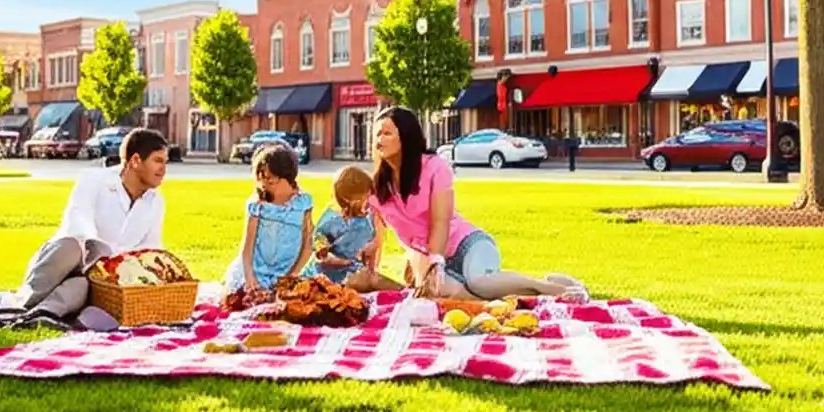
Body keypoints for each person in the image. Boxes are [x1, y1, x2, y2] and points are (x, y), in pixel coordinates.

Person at [0, 127, 171, 329]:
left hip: (99, 283)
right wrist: (98, 256)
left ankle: (31, 319)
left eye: (165, 162)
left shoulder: (155, 202)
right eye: (158, 161)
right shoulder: (94, 180)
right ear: (136, 161)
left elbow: (151, 250)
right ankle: (17, 307)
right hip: (63, 260)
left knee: (83, 285)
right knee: (72, 245)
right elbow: (78, 219)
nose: (163, 169)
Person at [366, 106, 588, 303]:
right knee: (458, 295)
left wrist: (436, 264)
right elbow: (374, 240)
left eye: (387, 133)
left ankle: (552, 288)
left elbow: (441, 222)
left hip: (467, 245)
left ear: (406, 137)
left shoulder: (434, 167)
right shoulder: (376, 190)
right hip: (433, 260)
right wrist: (370, 273)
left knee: (480, 283)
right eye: (377, 134)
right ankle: (518, 298)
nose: (379, 140)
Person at [221, 144, 314, 305]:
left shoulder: (303, 203)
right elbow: (247, 245)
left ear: (288, 176)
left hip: (290, 270)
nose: (265, 184)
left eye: (271, 180)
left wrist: (293, 274)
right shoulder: (258, 204)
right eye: (261, 178)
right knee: (242, 300)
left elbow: (308, 243)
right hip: (259, 269)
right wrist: (250, 277)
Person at [302, 165, 403, 292]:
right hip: (329, 277)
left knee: (374, 279)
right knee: (370, 281)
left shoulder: (367, 215)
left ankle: (405, 291)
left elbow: (372, 243)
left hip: (355, 269)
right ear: (347, 199)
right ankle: (404, 292)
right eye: (364, 198)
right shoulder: (333, 220)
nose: (368, 201)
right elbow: (321, 251)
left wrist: (372, 246)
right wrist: (338, 261)